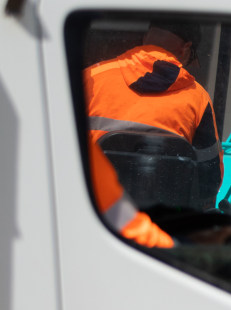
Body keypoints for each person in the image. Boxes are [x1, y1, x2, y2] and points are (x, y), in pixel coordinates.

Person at [83, 21, 223, 208]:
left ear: (146, 38)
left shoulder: (91, 78)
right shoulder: (198, 99)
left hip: (89, 212)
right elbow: (209, 181)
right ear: (186, 49)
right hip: (162, 225)